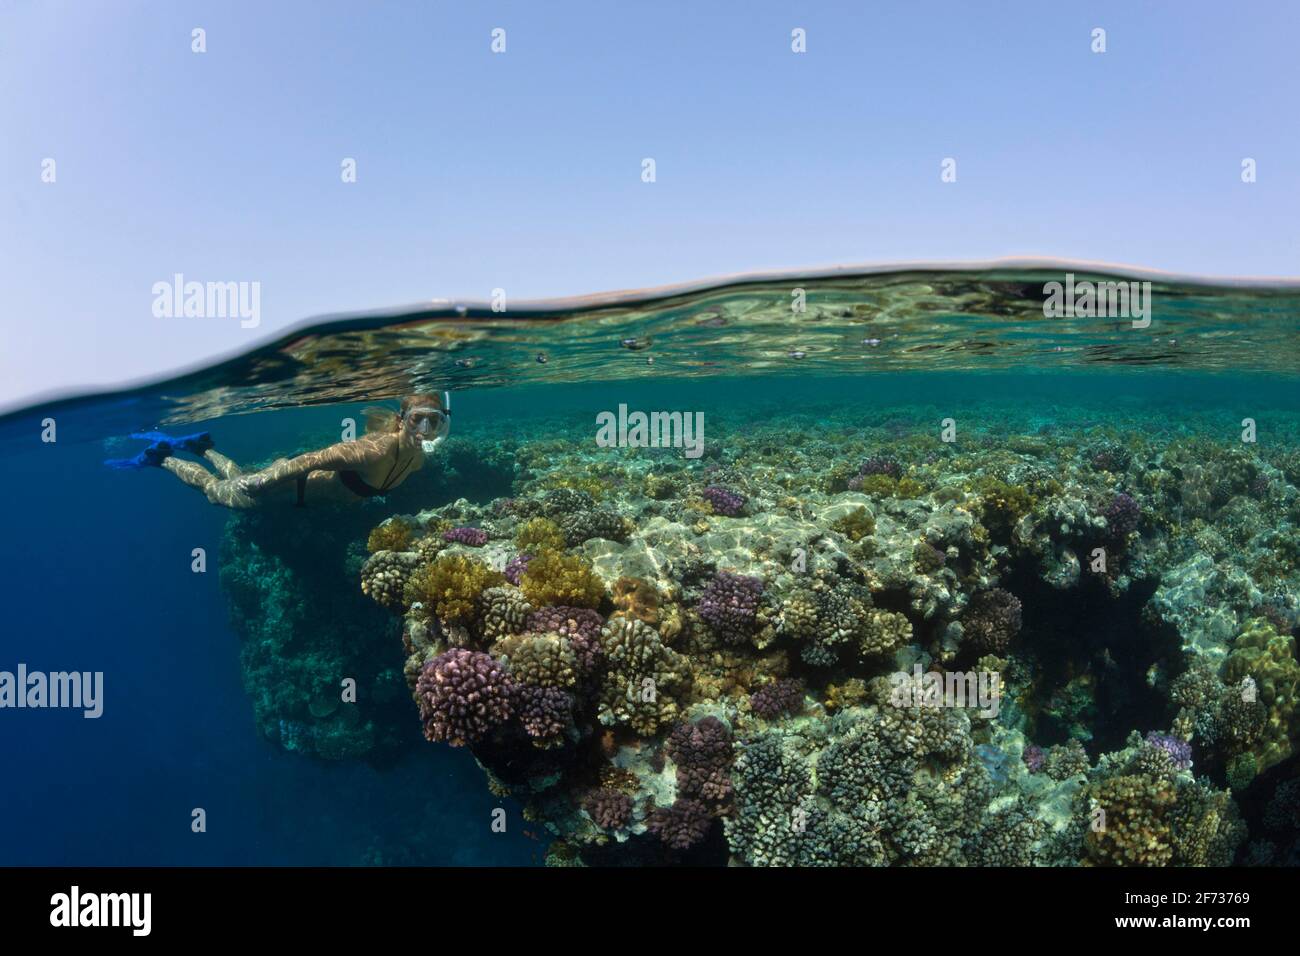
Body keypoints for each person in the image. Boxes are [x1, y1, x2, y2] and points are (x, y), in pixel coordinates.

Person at [108, 393, 450, 508]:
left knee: (236, 475)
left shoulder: (418, 459)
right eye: (418, 420)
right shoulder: (371, 451)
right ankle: (163, 458)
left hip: (302, 491)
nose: (425, 431)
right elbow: (309, 459)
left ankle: (202, 448)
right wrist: (265, 483)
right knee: (217, 494)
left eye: (433, 423)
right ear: (402, 419)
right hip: (291, 487)